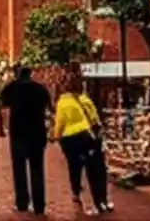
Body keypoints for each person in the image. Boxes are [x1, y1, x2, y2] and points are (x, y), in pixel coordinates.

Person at [53, 75, 113, 215]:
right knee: (95, 169)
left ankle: (76, 192)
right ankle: (101, 201)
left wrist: (56, 136)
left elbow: (60, 122)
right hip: (87, 136)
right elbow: (95, 118)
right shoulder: (85, 100)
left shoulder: (62, 102)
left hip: (70, 138)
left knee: (74, 166)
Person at [0, 65, 52, 215]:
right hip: (37, 133)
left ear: (18, 74)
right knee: (37, 169)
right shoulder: (40, 89)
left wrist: (2, 128)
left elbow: (1, 105)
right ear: (31, 74)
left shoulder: (12, 87)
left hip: (19, 134)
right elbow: (50, 108)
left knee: (19, 169)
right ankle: (39, 205)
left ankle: (22, 203)